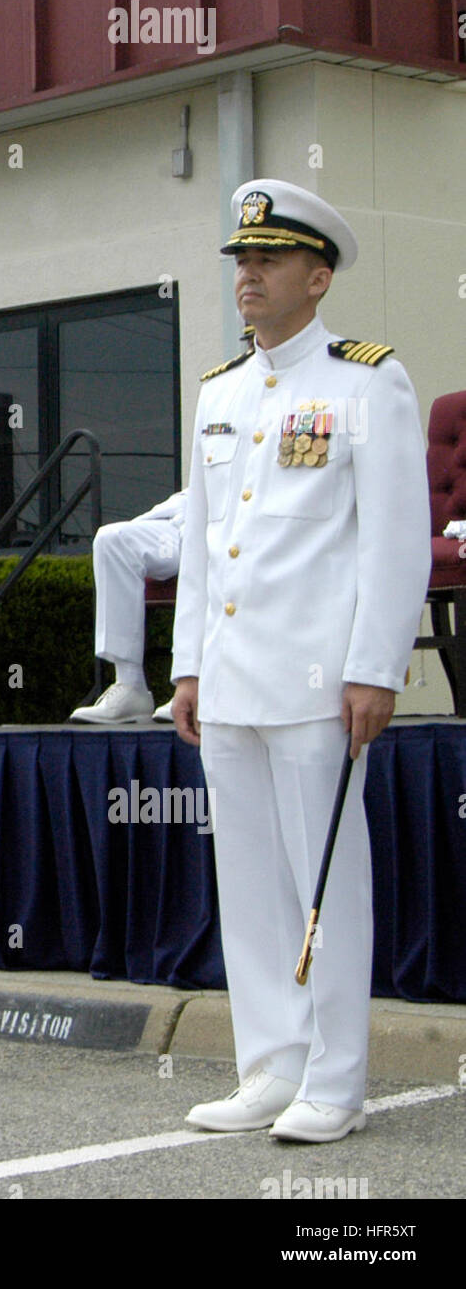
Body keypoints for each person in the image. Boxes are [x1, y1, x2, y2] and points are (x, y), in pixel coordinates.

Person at [170, 180, 430, 1143]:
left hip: (319, 682)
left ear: (318, 278)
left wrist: (377, 667)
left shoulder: (367, 383)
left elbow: (394, 541)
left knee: (327, 881)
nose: (248, 274)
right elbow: (203, 544)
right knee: (248, 882)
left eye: (269, 259)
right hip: (231, 680)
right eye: (241, 259)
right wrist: (187, 666)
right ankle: (267, 1067)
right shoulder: (220, 394)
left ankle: (336, 1080)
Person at [69, 490, 187, 724]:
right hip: (186, 511)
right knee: (112, 539)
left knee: (206, 552)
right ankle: (130, 685)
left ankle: (195, 683)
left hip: (233, 521)